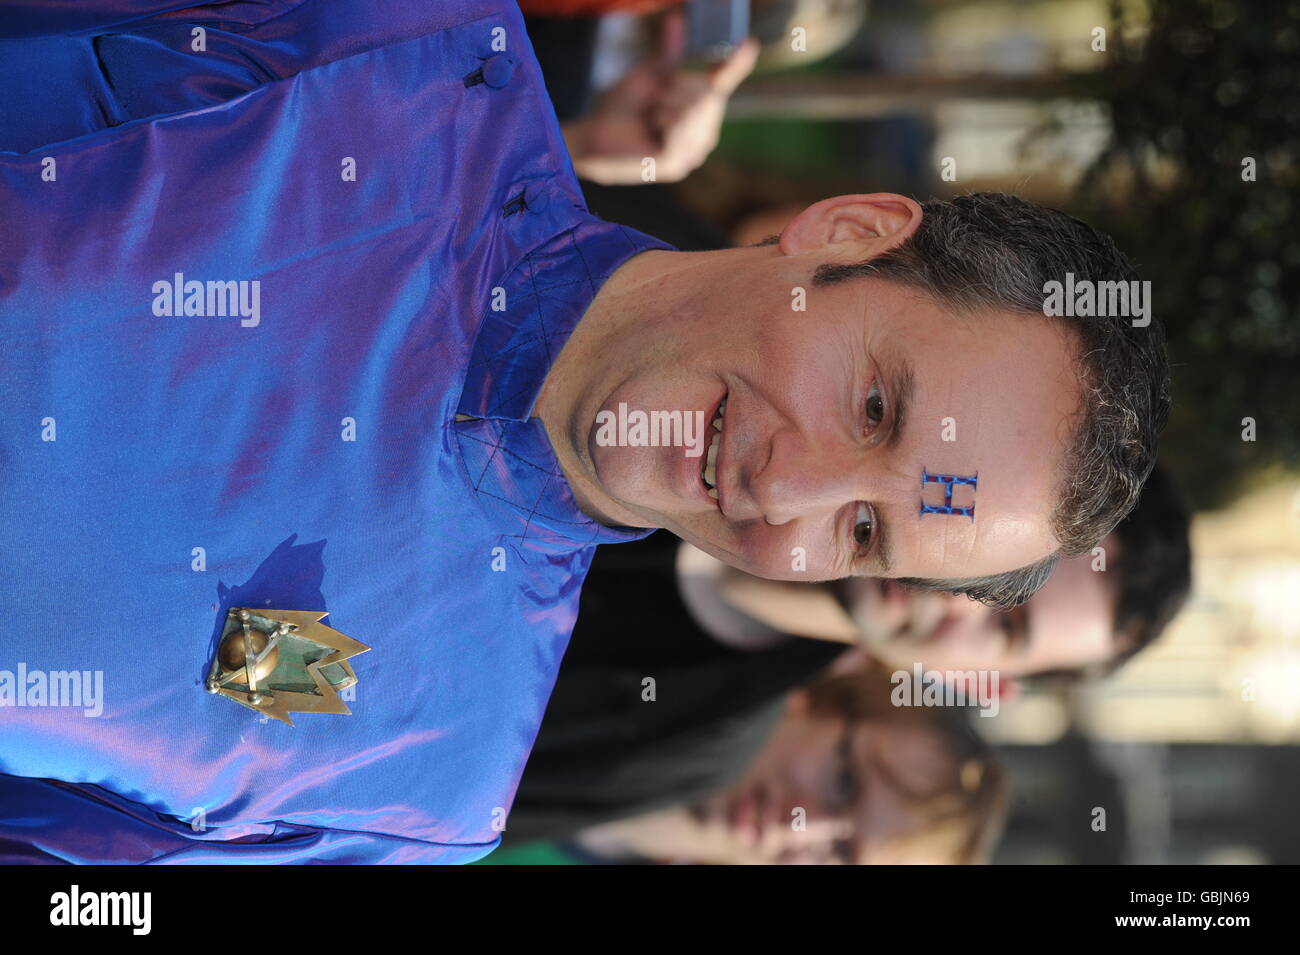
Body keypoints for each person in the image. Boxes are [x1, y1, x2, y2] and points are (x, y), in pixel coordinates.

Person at [0, 1, 1167, 863]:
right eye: (874, 406)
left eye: (864, 529)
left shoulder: (424, 779)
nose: (788, 485)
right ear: (849, 230)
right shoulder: (393, 54)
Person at [500, 465, 1189, 852]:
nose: (965, 592)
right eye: (1006, 558)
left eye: (1007, 619)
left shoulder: (685, 758)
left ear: (980, 685)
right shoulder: (727, 398)